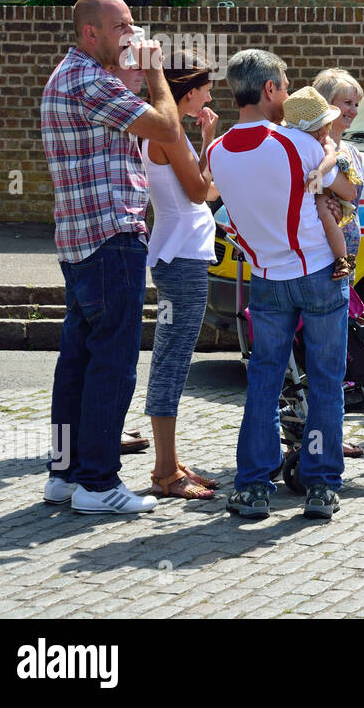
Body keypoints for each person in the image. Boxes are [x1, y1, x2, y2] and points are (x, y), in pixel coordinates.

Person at [40, 0, 181, 514]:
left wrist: (134, 74)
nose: (132, 34)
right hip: (110, 238)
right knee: (114, 363)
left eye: (132, 24)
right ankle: (99, 485)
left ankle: (64, 473)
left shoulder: (71, 76)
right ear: (90, 33)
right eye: (121, 26)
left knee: (76, 360)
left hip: (78, 242)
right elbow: (168, 128)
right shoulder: (90, 80)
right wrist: (157, 74)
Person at [207, 50, 358, 521]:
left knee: (263, 383)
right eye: (286, 84)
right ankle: (320, 484)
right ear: (270, 89)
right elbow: (347, 190)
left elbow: (213, 199)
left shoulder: (217, 151)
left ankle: (252, 486)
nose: (289, 93)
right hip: (315, 272)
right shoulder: (297, 143)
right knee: (327, 381)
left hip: (265, 277)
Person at [142, 50, 223, 499]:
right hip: (181, 258)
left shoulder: (166, 129)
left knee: (173, 357)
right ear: (189, 93)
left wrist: (207, 139)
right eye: (207, 88)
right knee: (172, 360)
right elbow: (201, 191)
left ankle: (170, 463)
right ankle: (163, 473)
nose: (211, 95)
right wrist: (216, 150)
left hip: (181, 254)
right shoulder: (168, 134)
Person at [279, 87, 353, 280]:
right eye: (317, 129)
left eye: (325, 126)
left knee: (326, 215)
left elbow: (331, 158)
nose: (323, 133)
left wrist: (319, 172)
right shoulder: (298, 144)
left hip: (323, 189)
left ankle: (341, 259)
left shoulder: (323, 141)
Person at [313, 68, 364, 278]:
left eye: (356, 104)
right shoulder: (313, 149)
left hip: (350, 251)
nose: (353, 111)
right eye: (347, 103)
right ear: (327, 103)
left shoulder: (354, 152)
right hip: (320, 254)